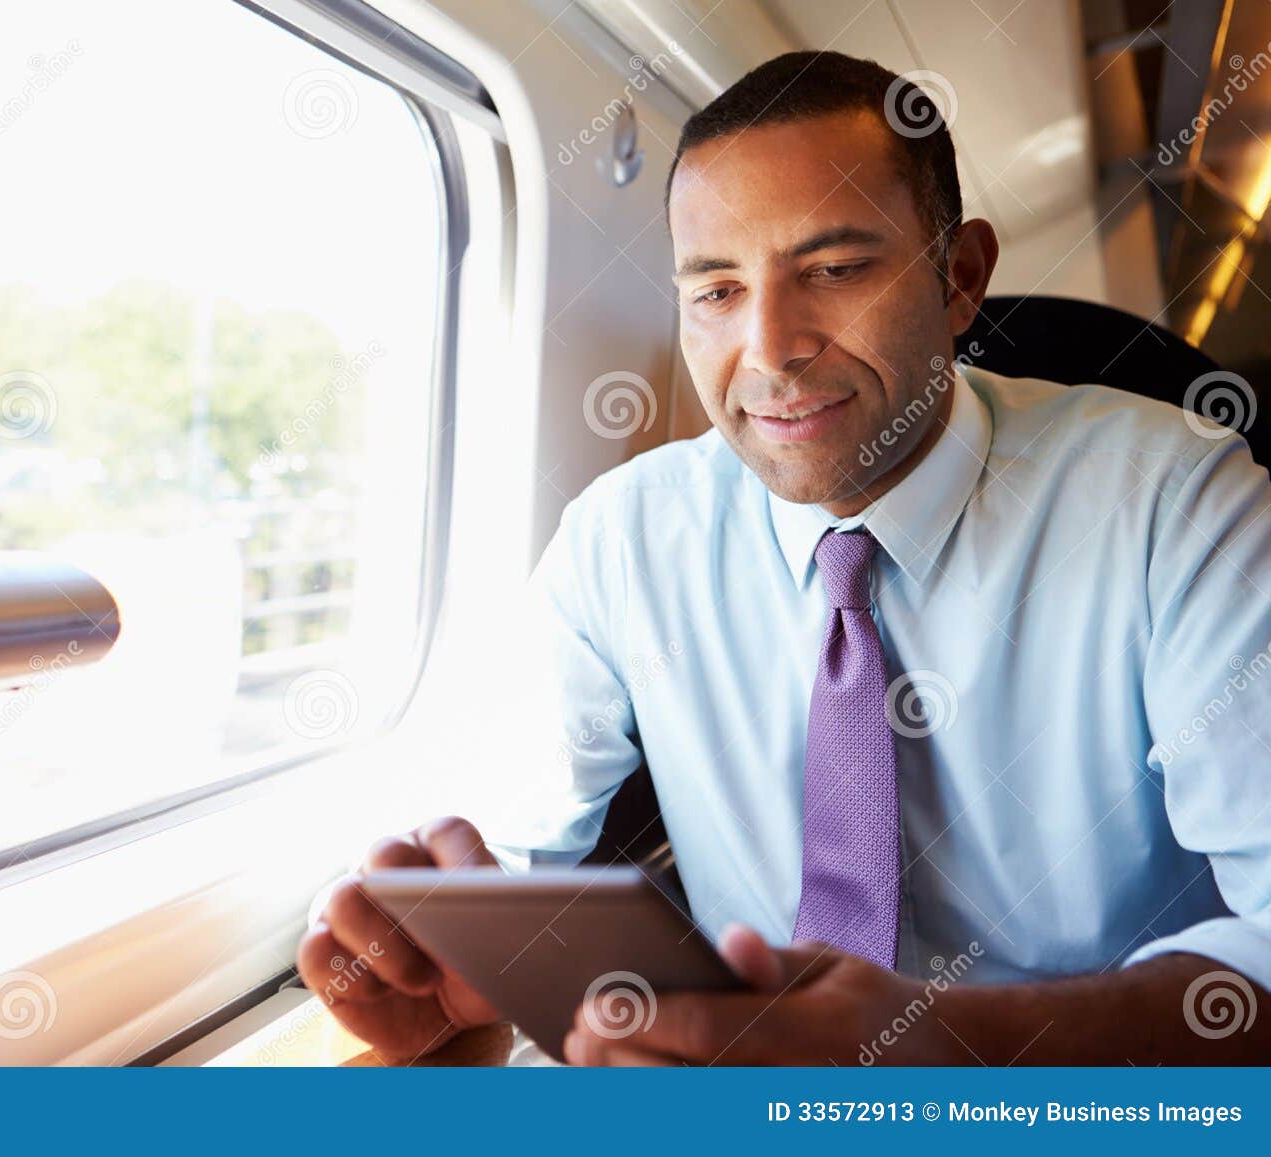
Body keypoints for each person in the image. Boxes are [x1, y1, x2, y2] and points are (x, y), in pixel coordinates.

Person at [297, 50, 1271, 1065]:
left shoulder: (1178, 504)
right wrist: (451, 961)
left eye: (835, 270)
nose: (768, 348)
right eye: (715, 291)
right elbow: (498, 841)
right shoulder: (621, 540)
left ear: (959, 277)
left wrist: (929, 1048)